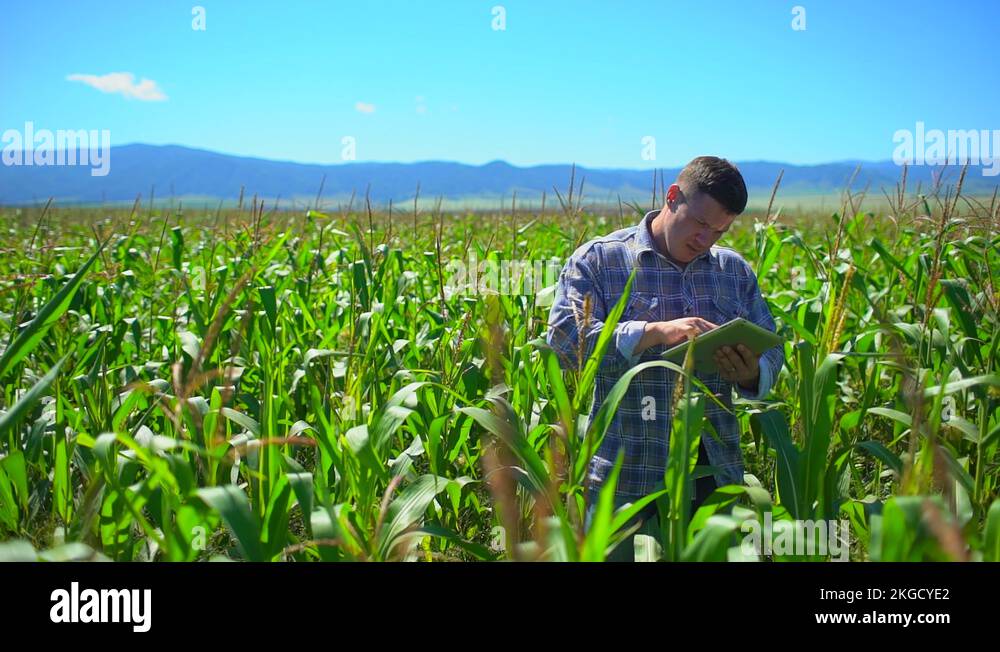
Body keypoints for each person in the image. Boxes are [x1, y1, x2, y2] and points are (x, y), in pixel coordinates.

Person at [545, 156, 784, 561]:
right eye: (701, 224)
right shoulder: (601, 261)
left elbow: (772, 349)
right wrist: (654, 332)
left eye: (720, 230)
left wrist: (751, 373)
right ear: (672, 198)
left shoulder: (733, 271)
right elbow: (565, 341)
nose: (705, 239)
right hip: (626, 474)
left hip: (712, 471)